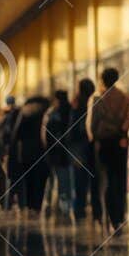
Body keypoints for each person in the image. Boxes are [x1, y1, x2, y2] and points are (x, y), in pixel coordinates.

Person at [88, 66, 129, 231]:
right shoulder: (124, 97)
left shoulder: (97, 98)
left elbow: (92, 124)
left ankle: (109, 216)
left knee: (106, 180)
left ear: (102, 80)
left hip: (104, 143)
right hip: (120, 141)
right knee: (119, 179)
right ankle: (119, 216)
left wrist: (94, 138)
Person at [12, 93, 50, 212]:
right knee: (40, 180)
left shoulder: (24, 113)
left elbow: (16, 134)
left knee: (28, 180)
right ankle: (38, 204)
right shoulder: (45, 111)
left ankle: (29, 205)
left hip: (26, 153)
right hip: (41, 151)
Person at [42, 88, 77, 218]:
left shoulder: (53, 113)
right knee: (65, 181)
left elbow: (46, 135)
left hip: (54, 153)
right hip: (66, 152)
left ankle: (48, 204)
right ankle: (65, 207)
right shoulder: (70, 111)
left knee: (52, 180)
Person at [70, 77, 96, 222]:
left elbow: (72, 130)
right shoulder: (94, 103)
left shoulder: (76, 105)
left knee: (79, 181)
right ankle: (94, 210)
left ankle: (79, 210)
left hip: (78, 148)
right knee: (93, 180)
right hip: (91, 146)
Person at [0, 96, 19, 207]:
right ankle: (7, 202)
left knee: (5, 179)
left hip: (3, 154)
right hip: (10, 153)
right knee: (10, 179)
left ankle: (4, 202)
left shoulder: (2, 120)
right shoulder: (15, 117)